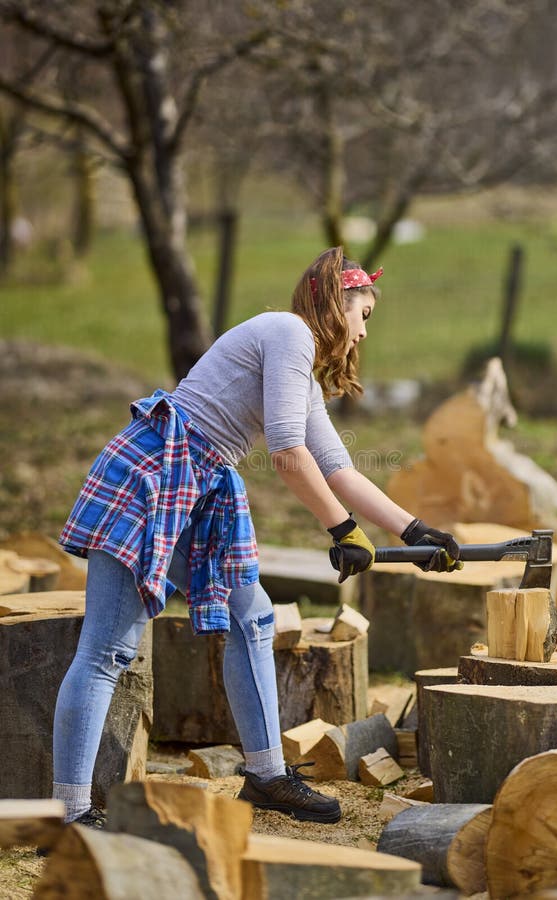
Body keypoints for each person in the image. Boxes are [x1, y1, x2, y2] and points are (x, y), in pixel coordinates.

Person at [53, 245, 461, 830]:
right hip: (155, 470)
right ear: (336, 302)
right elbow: (287, 454)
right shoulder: (288, 333)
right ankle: (68, 815)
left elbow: (336, 466)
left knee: (253, 618)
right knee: (106, 651)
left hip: (200, 482)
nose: (364, 333)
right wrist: (342, 529)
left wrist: (415, 532)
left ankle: (267, 776)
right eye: (363, 315)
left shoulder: (300, 365)